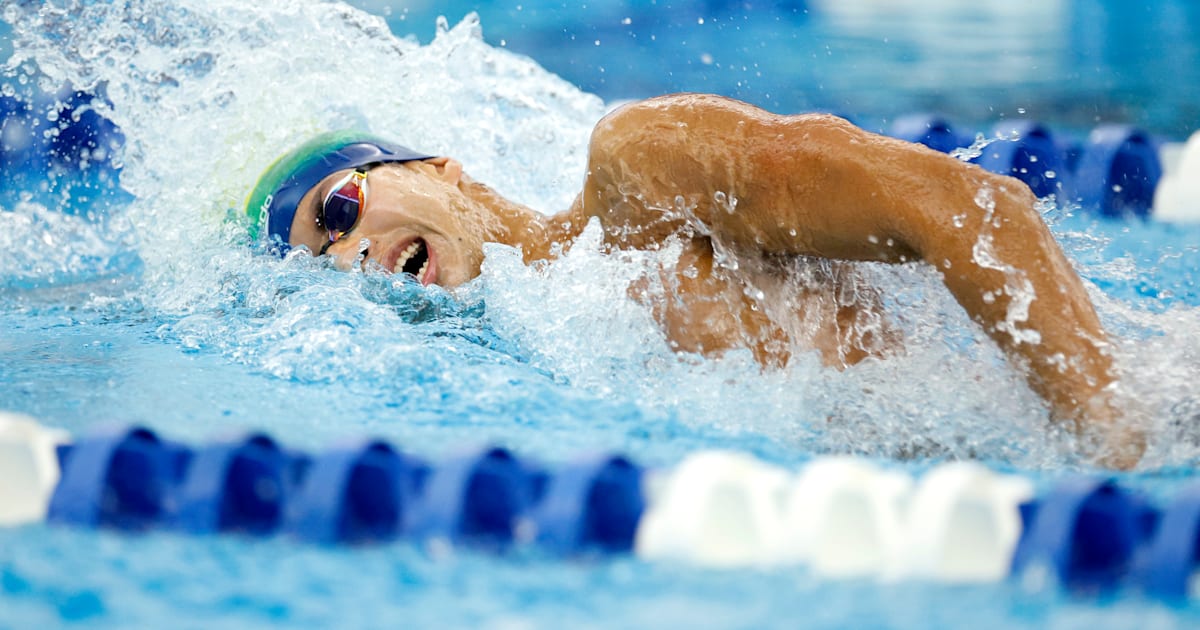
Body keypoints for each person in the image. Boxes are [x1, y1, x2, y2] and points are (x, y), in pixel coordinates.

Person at [245, 93, 1143, 468]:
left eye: (338, 211)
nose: (350, 255)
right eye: (322, 262)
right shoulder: (539, 379)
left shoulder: (639, 173)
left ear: (436, 169)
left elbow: (976, 208)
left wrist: (1110, 439)